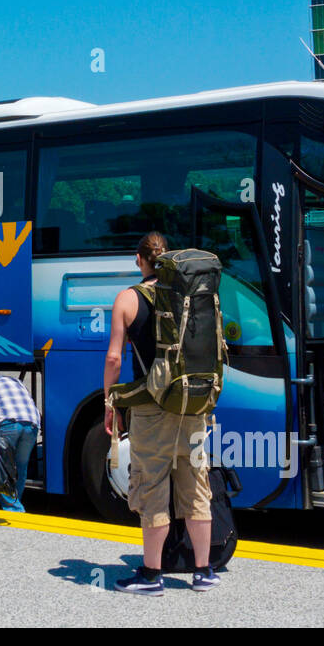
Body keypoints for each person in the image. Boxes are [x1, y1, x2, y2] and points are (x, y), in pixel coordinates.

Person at [105, 232, 219, 594]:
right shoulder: (193, 293)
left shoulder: (128, 298)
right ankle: (204, 571)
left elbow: (113, 357)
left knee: (152, 484)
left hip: (153, 408)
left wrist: (110, 403)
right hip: (194, 404)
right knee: (196, 483)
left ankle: (151, 576)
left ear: (139, 259)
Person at [0, 373, 39, 512]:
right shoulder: (15, 381)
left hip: (8, 423)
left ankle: (13, 507)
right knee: (20, 467)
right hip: (32, 424)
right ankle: (16, 500)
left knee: (2, 467)